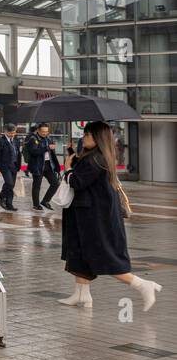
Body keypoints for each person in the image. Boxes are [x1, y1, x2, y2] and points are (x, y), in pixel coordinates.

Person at [59, 121, 163, 311]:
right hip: (87, 216)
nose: (84, 138)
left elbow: (77, 182)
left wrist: (67, 169)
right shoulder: (96, 156)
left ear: (97, 138)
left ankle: (143, 285)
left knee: (105, 258)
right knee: (80, 255)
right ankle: (81, 295)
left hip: (94, 220)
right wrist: (74, 160)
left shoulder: (95, 159)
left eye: (87, 135)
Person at [24, 123, 61, 210]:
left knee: (55, 183)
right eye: (43, 131)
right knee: (37, 185)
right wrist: (47, 147)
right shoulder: (32, 139)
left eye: (46, 131)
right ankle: (36, 205)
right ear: (38, 131)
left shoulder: (49, 139)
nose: (45, 133)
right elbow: (34, 151)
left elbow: (52, 155)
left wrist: (56, 166)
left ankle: (45, 201)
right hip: (37, 165)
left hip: (49, 165)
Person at [0, 122, 21, 211]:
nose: (12, 134)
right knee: (9, 183)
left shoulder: (16, 140)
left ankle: (9, 204)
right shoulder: (0, 140)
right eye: (10, 133)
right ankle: (1, 197)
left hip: (14, 165)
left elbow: (18, 153)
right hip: (5, 166)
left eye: (14, 133)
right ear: (5, 132)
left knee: (11, 185)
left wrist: (19, 165)